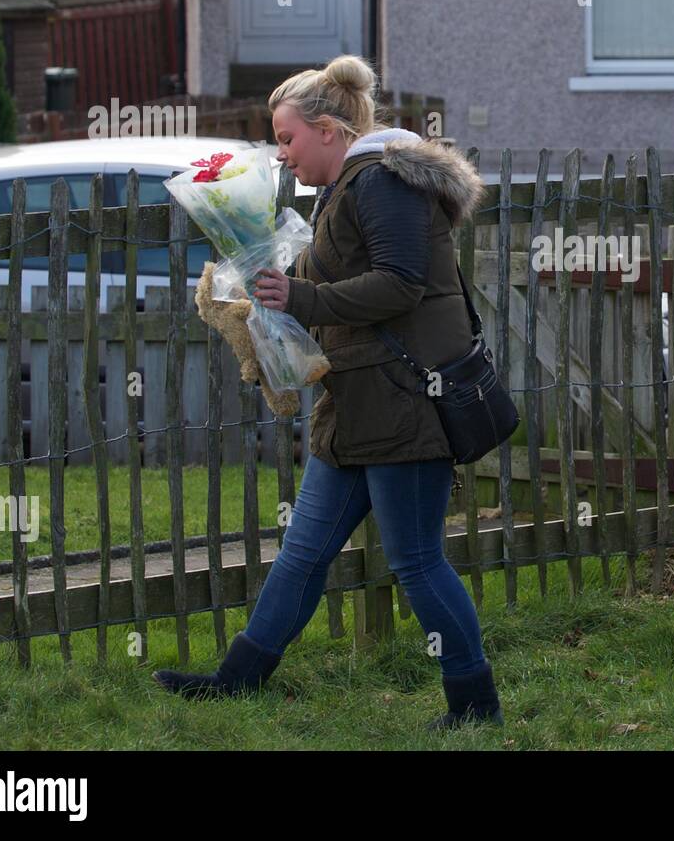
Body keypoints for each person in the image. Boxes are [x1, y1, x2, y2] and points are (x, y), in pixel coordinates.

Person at [154, 55, 504, 728]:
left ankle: (475, 701)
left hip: (405, 405)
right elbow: (347, 286)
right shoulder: (347, 186)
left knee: (417, 560)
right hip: (358, 403)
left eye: (286, 139)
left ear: (326, 129)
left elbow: (401, 284)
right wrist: (260, 295)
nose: (282, 157)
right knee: (305, 551)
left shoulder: (382, 182)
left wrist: (303, 295)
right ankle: (238, 679)